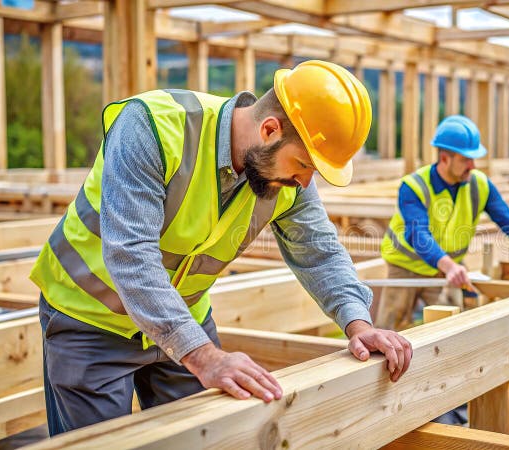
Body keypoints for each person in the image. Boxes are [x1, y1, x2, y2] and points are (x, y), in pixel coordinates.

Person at [29, 60, 412, 435]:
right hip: (89, 321)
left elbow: (320, 251)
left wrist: (358, 323)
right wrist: (203, 356)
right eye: (304, 163)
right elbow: (131, 254)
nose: (305, 180)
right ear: (269, 130)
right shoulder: (153, 126)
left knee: (209, 437)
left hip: (183, 317)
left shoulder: (288, 179)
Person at [376, 115, 509, 330]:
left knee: (454, 329)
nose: (473, 165)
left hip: (447, 269)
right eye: (466, 159)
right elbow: (419, 235)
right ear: (445, 158)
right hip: (405, 268)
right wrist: (450, 266)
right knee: (388, 331)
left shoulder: (479, 185)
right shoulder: (414, 186)